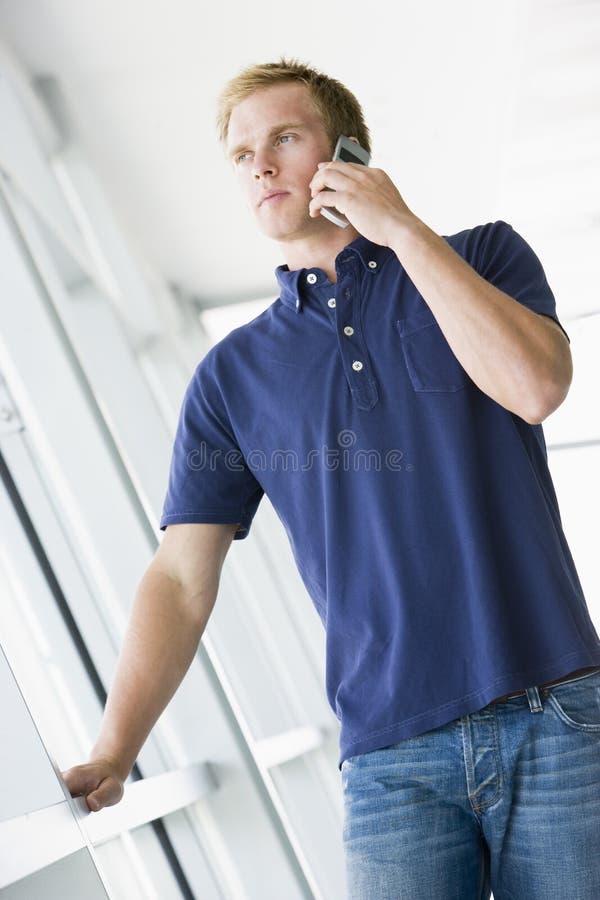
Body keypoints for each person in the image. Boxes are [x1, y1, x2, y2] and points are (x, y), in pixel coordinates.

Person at [63, 58, 600, 898]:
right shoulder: (229, 379)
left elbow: (536, 386)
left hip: (556, 715)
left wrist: (405, 231)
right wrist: (116, 747)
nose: (261, 166)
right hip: (391, 760)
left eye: (283, 137)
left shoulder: (484, 256)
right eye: (242, 155)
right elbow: (179, 577)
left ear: (346, 151)